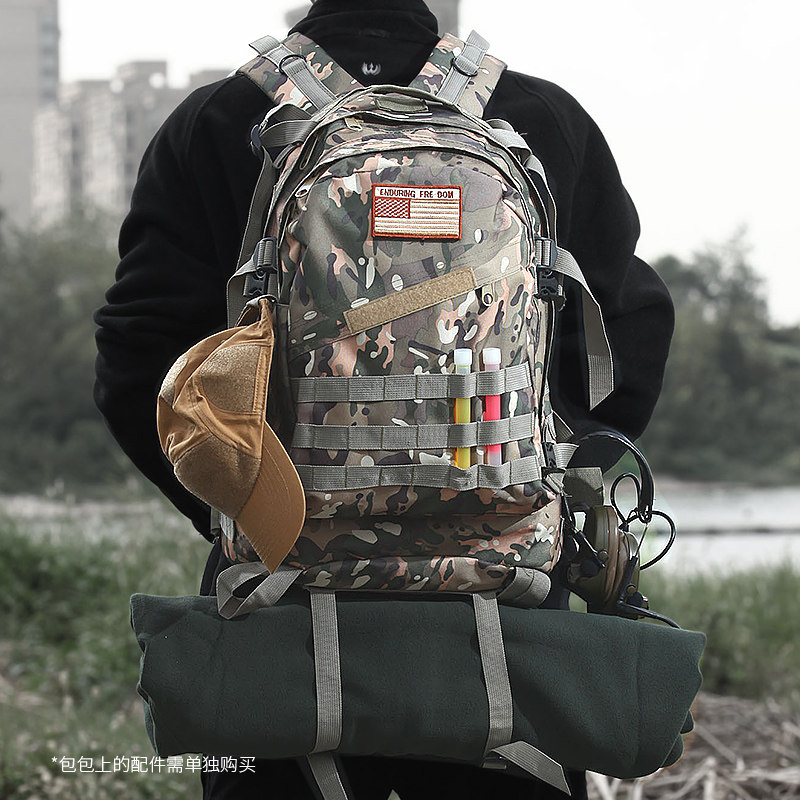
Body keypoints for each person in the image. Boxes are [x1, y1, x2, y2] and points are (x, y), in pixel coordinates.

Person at [94, 1, 674, 798]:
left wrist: (251, 502)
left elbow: (137, 361)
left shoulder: (217, 121)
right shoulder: (540, 116)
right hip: (508, 613)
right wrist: (536, 480)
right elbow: (632, 333)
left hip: (276, 611)